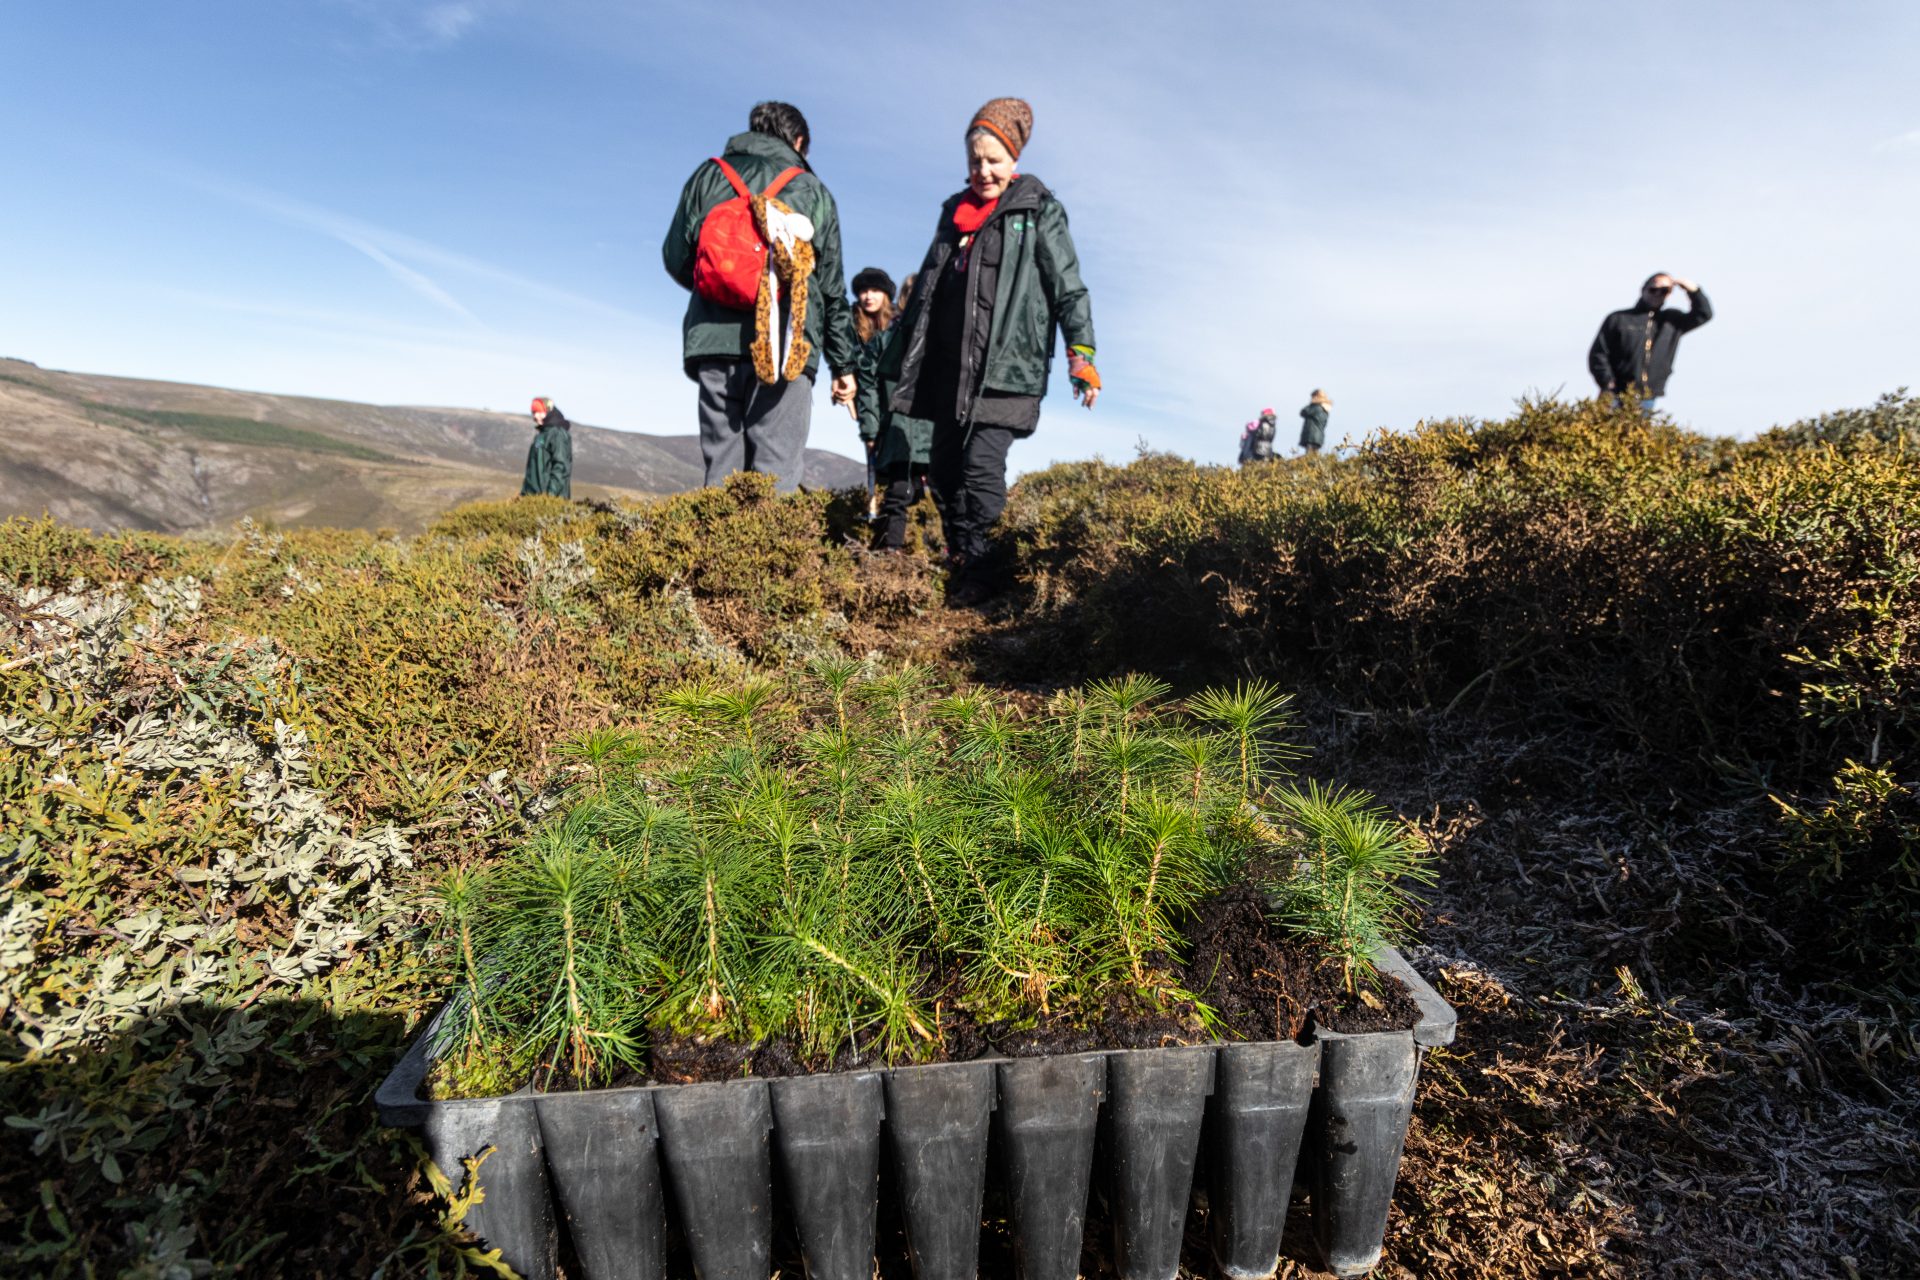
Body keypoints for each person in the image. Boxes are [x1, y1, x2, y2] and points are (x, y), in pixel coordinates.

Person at [880, 97, 1097, 602]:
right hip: (947, 371)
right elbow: (925, 294)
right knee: (945, 470)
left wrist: (1080, 354)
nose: (983, 170)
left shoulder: (1037, 209)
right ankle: (963, 559)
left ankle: (986, 573)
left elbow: (1069, 286)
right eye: (975, 160)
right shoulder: (952, 215)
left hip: (1005, 367)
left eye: (993, 160)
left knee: (980, 468)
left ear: (1014, 159)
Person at [662, 101, 857, 492]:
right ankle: (770, 552)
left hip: (714, 339)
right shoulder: (812, 190)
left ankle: (716, 553)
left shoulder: (709, 175)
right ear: (800, 141)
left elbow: (676, 257)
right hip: (787, 344)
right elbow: (831, 289)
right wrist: (844, 366)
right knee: (776, 472)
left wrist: (725, 288)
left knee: (721, 474)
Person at [852, 270, 935, 550]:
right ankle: (891, 556)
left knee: (937, 495)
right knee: (900, 492)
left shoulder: (943, 343)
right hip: (898, 431)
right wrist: (871, 430)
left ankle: (938, 553)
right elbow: (869, 390)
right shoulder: (883, 342)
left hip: (931, 433)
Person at [1587, 273, 1712, 411]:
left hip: (1647, 396)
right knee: (1603, 429)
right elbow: (1598, 353)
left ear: (1669, 294)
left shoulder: (1671, 321)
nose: (1657, 294)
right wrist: (1607, 382)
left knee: (1636, 432)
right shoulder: (1619, 319)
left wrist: (1693, 290)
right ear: (1643, 289)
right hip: (1614, 392)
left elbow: (1703, 314)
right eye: (1653, 289)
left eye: (1664, 290)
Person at [520, 397, 573, 499]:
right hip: (532, 498)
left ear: (548, 411)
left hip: (551, 500)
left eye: (539, 412)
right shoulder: (541, 435)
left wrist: (549, 496)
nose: (535, 416)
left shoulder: (557, 434)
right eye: (533, 412)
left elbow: (560, 467)